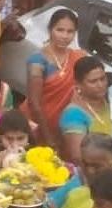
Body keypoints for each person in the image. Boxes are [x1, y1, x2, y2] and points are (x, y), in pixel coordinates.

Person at [23, 8, 85, 150]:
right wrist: (47, 137)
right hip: (37, 126)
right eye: (60, 30)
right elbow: (34, 103)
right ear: (50, 29)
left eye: (70, 32)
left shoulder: (78, 57)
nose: (65, 36)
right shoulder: (37, 61)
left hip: (65, 126)